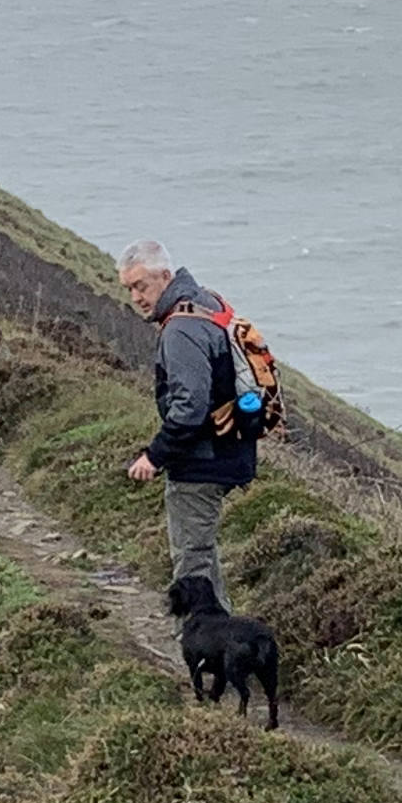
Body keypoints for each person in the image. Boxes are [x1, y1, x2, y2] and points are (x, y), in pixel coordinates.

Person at [118, 240, 259, 604]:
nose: (136, 297)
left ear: (165, 276)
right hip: (232, 449)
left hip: (202, 462)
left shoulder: (180, 329)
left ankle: (198, 638)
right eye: (129, 288)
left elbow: (190, 407)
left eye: (141, 286)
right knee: (203, 555)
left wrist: (154, 456)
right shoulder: (207, 301)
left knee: (192, 565)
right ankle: (221, 633)